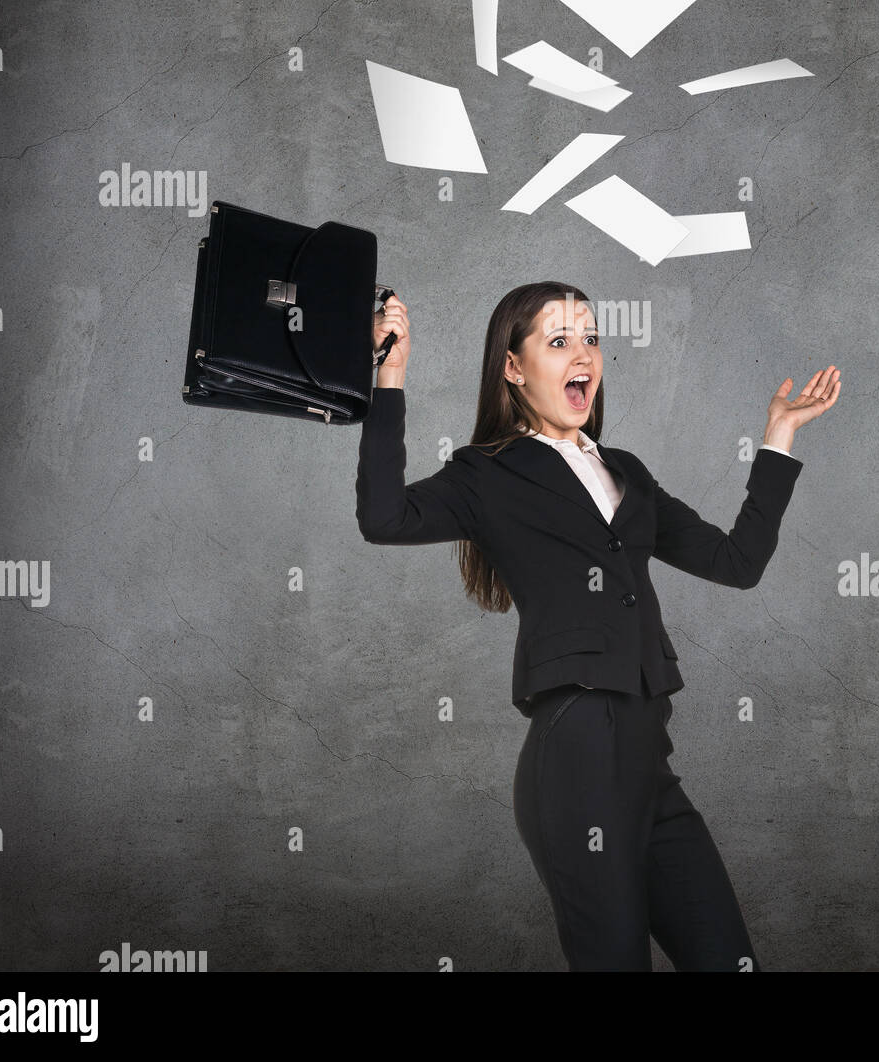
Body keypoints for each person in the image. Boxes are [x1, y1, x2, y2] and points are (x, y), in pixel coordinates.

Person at [356, 281, 841, 971]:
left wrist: (779, 438)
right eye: (558, 341)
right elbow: (383, 518)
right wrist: (391, 376)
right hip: (576, 757)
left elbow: (738, 563)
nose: (583, 352)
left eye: (590, 337)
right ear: (513, 368)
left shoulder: (627, 474)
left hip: (650, 766)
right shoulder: (486, 475)